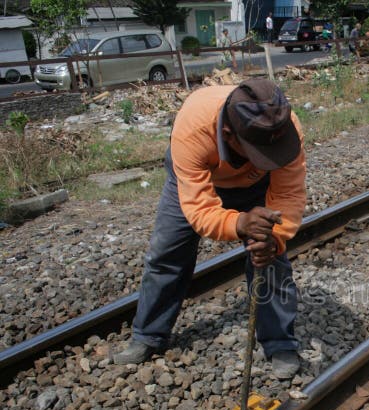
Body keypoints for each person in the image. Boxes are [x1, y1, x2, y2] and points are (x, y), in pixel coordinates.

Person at [113, 79, 307, 380]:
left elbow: (290, 195)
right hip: (195, 180)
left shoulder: (281, 127)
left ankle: (280, 341)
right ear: (228, 135)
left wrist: (275, 238)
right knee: (166, 254)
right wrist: (239, 223)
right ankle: (148, 335)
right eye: (259, 151)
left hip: (257, 184)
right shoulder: (193, 127)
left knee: (270, 257)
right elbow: (199, 211)